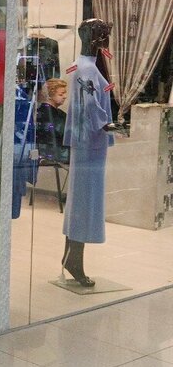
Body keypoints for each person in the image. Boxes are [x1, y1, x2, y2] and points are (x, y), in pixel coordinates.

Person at [61, 19, 115, 287]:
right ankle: (74, 260)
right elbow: (91, 104)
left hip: (88, 142)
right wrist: (107, 124)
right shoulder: (86, 68)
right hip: (89, 143)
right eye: (102, 35)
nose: (105, 40)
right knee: (84, 202)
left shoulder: (85, 65)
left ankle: (71, 257)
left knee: (80, 201)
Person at [36, 78, 69, 164]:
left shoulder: (56, 113)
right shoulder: (47, 115)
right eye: (61, 94)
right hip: (55, 157)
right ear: (50, 95)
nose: (65, 97)